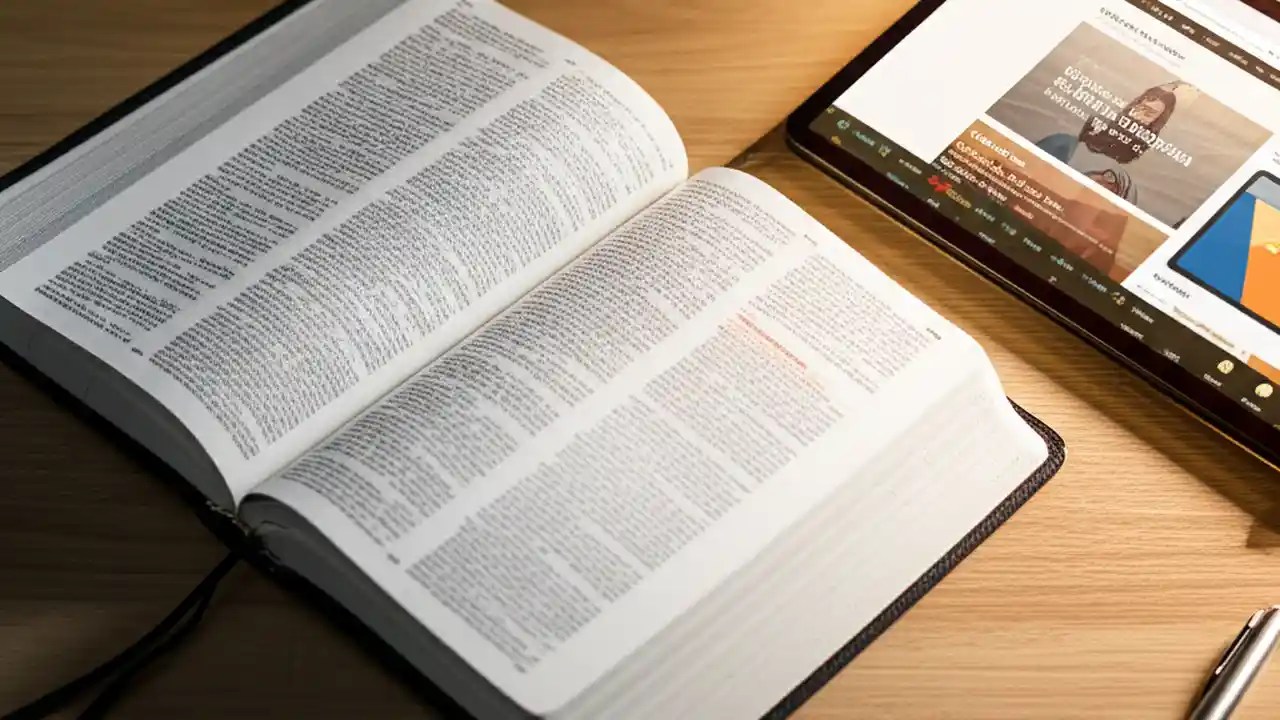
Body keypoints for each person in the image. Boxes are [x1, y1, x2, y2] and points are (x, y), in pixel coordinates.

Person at [1037, 82, 1185, 203]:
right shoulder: (1067, 141)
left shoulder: (1126, 180)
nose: (1140, 115)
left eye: (1149, 113)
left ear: (1157, 120)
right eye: (1141, 107)